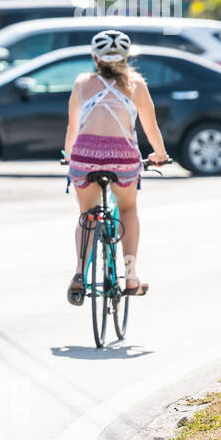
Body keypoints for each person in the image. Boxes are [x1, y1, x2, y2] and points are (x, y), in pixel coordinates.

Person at [63, 29, 169, 302]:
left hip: (84, 157)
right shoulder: (137, 86)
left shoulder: (82, 84)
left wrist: (69, 155)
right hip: (123, 159)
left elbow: (73, 127)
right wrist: (160, 154)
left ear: (94, 58)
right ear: (126, 58)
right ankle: (131, 276)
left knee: (86, 212)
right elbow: (151, 128)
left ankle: (79, 273)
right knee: (128, 208)